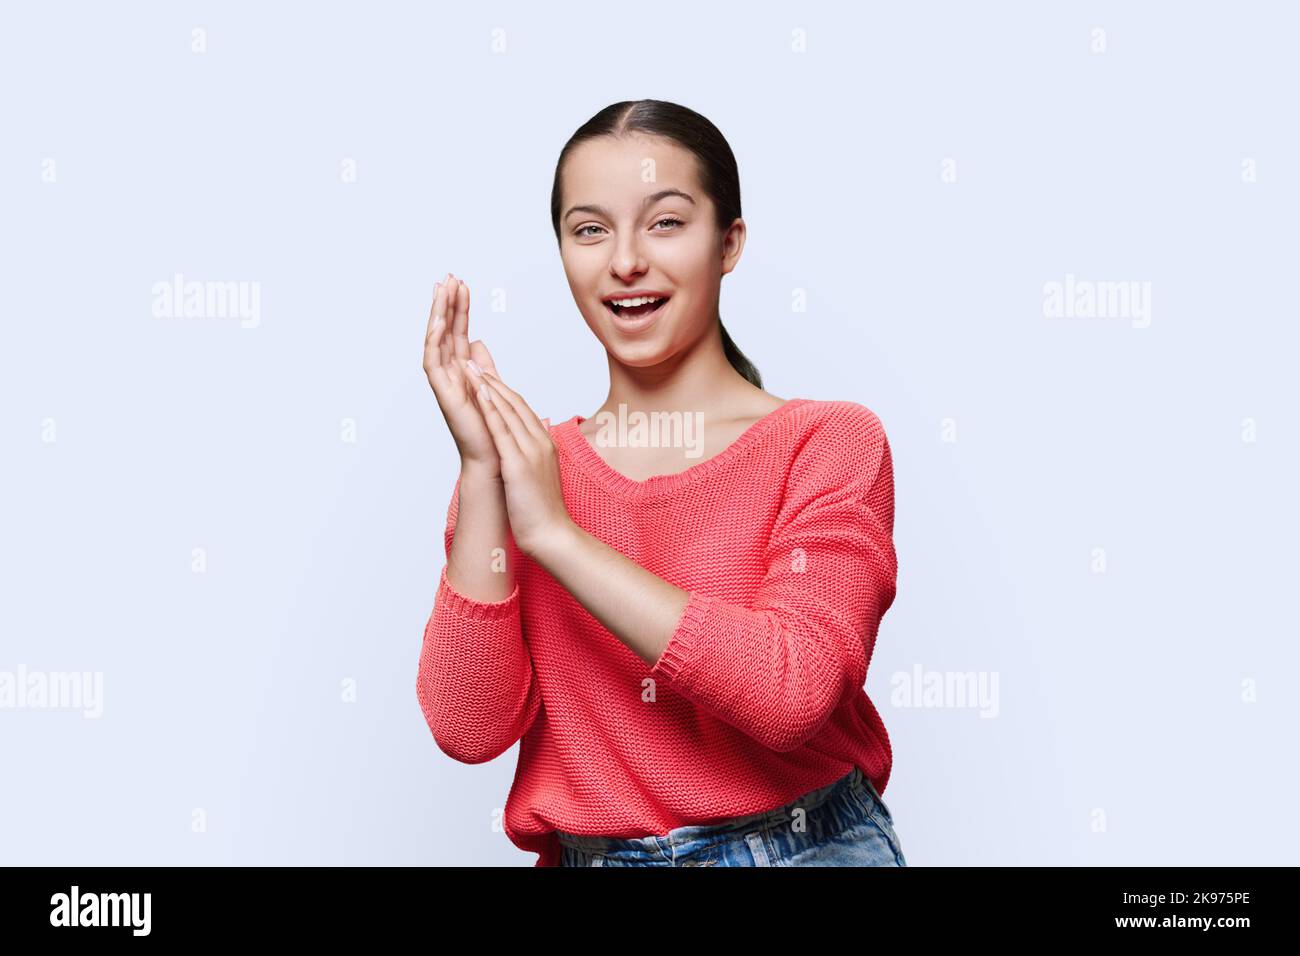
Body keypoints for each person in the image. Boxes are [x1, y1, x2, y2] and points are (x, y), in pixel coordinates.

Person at [418, 99, 906, 867]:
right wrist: (483, 473)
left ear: (729, 243)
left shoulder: (827, 441)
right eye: (589, 230)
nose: (624, 262)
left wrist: (555, 536)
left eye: (666, 222)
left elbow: (793, 692)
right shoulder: (524, 468)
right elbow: (467, 727)